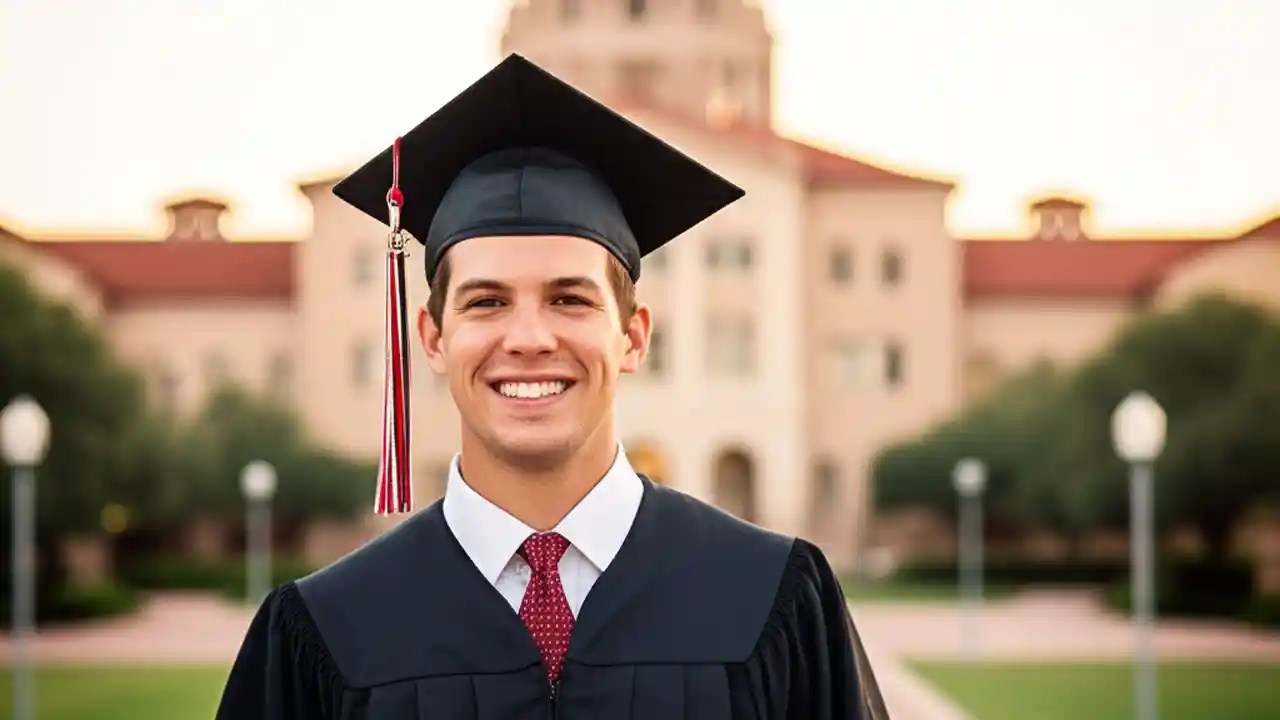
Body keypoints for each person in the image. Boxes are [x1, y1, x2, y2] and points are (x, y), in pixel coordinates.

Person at [216, 53, 888, 720]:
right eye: (486, 303)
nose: (530, 337)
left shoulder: (771, 598)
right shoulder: (329, 628)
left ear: (633, 336)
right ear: (432, 338)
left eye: (570, 299)